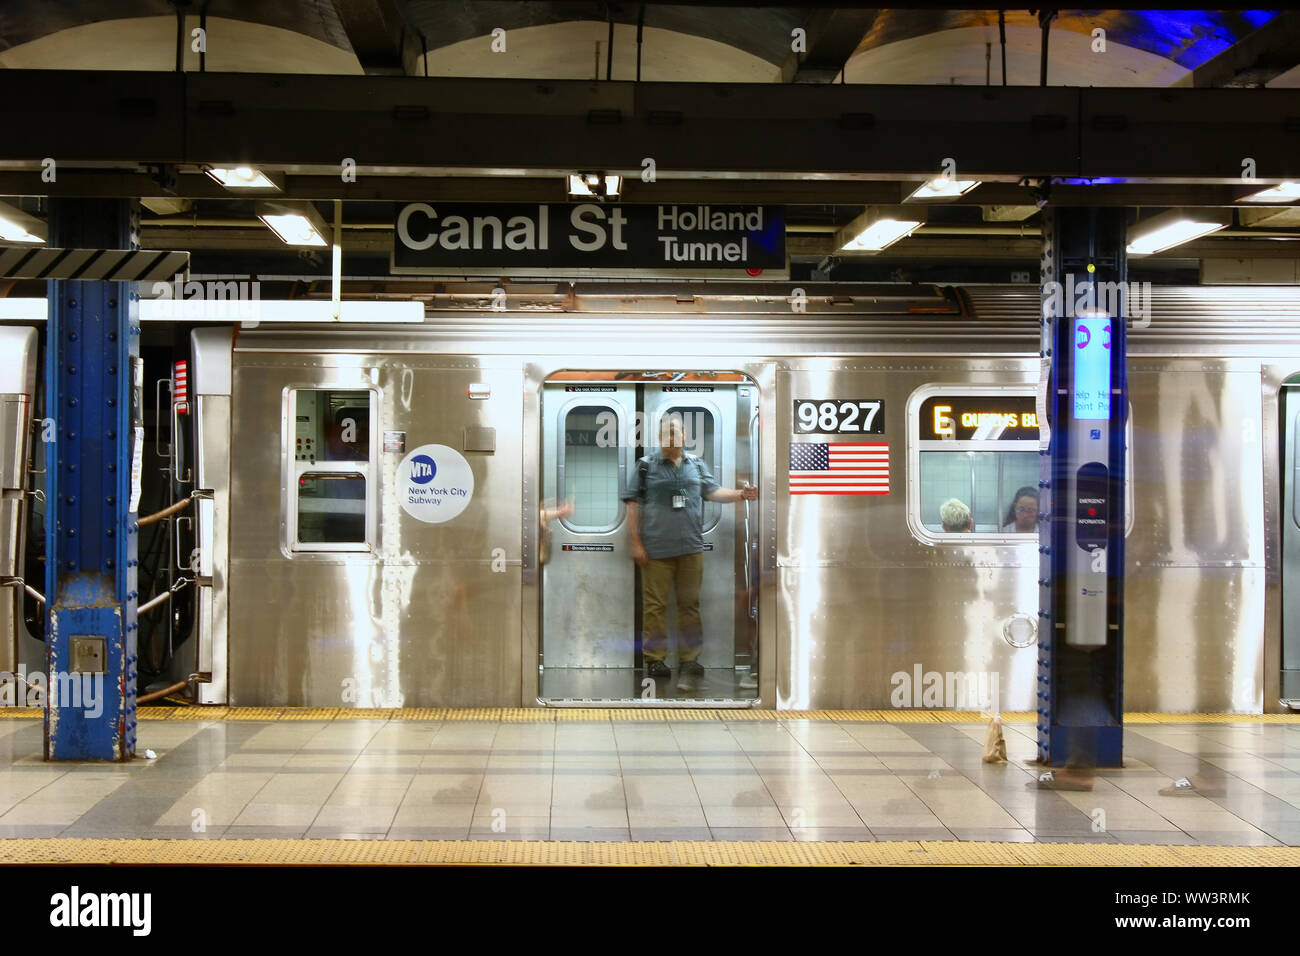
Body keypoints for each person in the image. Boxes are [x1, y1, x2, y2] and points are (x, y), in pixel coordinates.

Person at [623, 414, 757, 692]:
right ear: (659, 439)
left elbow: (713, 492)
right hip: (656, 549)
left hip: (691, 548)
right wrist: (635, 542)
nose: (672, 438)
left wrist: (741, 495)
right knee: (655, 608)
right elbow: (632, 505)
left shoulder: (697, 465)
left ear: (685, 437)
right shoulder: (646, 466)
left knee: (690, 606)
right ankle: (655, 660)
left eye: (676, 433)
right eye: (667, 434)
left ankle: (689, 660)